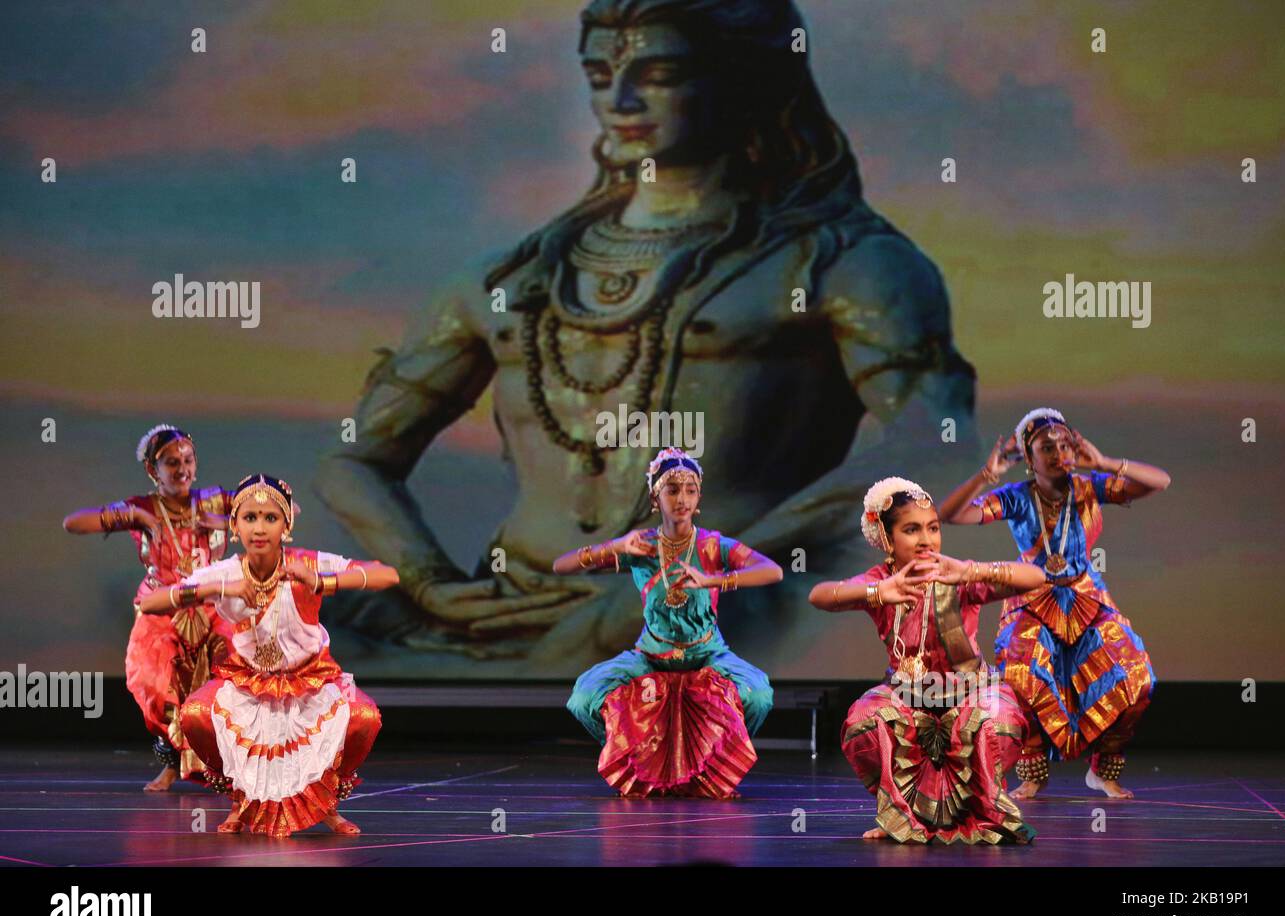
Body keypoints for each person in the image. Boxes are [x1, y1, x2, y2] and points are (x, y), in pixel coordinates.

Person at [315, 0, 976, 674]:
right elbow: (355, 459)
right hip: (501, 614)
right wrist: (431, 584)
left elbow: (935, 446)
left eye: (659, 74)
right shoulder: (510, 278)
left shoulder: (844, 264)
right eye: (600, 75)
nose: (620, 99)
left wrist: (700, 572)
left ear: (745, 79)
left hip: (714, 615)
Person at [140, 473, 396, 836]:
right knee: (194, 714)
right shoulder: (227, 572)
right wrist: (219, 587)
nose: (259, 528)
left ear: (286, 526)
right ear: (235, 526)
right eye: (250, 518)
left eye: (270, 518)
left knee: (364, 717)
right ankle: (240, 799)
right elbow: (149, 602)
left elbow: (387, 576)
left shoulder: (306, 563)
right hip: (249, 685)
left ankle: (327, 804)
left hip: (311, 684)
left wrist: (323, 582)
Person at [937, 408, 1170, 798]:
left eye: (1065, 444)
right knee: (1023, 678)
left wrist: (1107, 463)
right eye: (1047, 447)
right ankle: (1033, 772)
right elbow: (950, 514)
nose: (1058, 452)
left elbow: (1160, 482)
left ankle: (1103, 769)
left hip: (1086, 597)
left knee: (1136, 678)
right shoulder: (1015, 497)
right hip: (1031, 598)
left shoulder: (1089, 487)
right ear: (1029, 459)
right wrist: (988, 473)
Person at [810, 477, 1045, 843]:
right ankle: (899, 818)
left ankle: (983, 815)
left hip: (969, 693)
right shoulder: (881, 581)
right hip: (909, 699)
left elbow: (1036, 576)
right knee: (864, 721)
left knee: (992, 720)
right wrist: (877, 593)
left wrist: (972, 571)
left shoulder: (956, 574)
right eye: (911, 529)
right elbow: (819, 595)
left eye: (933, 528)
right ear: (886, 539)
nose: (926, 539)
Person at [556, 448, 781, 796]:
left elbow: (772, 570)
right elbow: (563, 566)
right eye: (672, 490)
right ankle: (638, 761)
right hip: (651, 656)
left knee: (759, 695)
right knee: (584, 697)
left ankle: (715, 772)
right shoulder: (640, 546)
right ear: (654, 497)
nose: (682, 499)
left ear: (699, 496)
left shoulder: (712, 545)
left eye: (691, 490)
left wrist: (714, 581)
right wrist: (616, 545)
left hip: (708, 653)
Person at [62, 424, 232, 790]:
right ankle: (172, 765)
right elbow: (73, 523)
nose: (182, 469)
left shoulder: (216, 501)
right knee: (155, 687)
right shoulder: (143, 508)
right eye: (171, 463)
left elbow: (287, 509)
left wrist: (226, 521)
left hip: (213, 608)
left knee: (229, 685)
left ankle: (227, 770)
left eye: (188, 460)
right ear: (153, 471)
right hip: (161, 609)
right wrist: (134, 518)